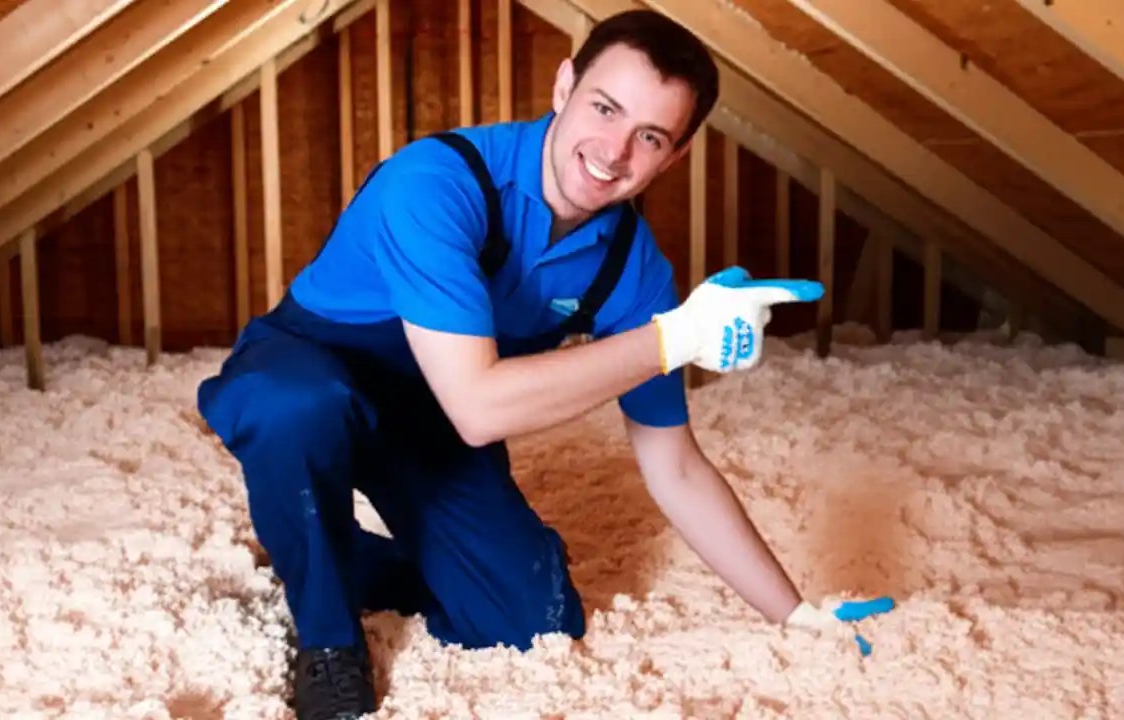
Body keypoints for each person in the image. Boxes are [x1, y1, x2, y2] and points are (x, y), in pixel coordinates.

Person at [196, 9, 891, 720]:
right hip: (315, 368)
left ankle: (314, 544)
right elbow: (480, 406)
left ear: (674, 156)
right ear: (564, 87)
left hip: (429, 422)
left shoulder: (632, 268)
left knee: (532, 621)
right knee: (295, 405)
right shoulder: (437, 182)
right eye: (605, 107)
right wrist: (674, 338)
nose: (615, 151)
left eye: (649, 136)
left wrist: (796, 615)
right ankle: (329, 641)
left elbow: (675, 466)